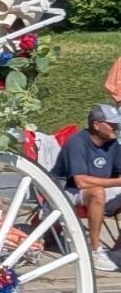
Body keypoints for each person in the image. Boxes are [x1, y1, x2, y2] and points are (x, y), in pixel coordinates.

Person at [52, 104, 121, 272]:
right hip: (66, 192)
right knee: (97, 193)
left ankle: (118, 252)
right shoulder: (77, 142)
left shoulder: (113, 144)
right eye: (112, 125)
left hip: (98, 189)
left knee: (99, 192)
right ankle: (95, 250)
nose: (117, 128)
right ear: (97, 125)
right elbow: (81, 181)